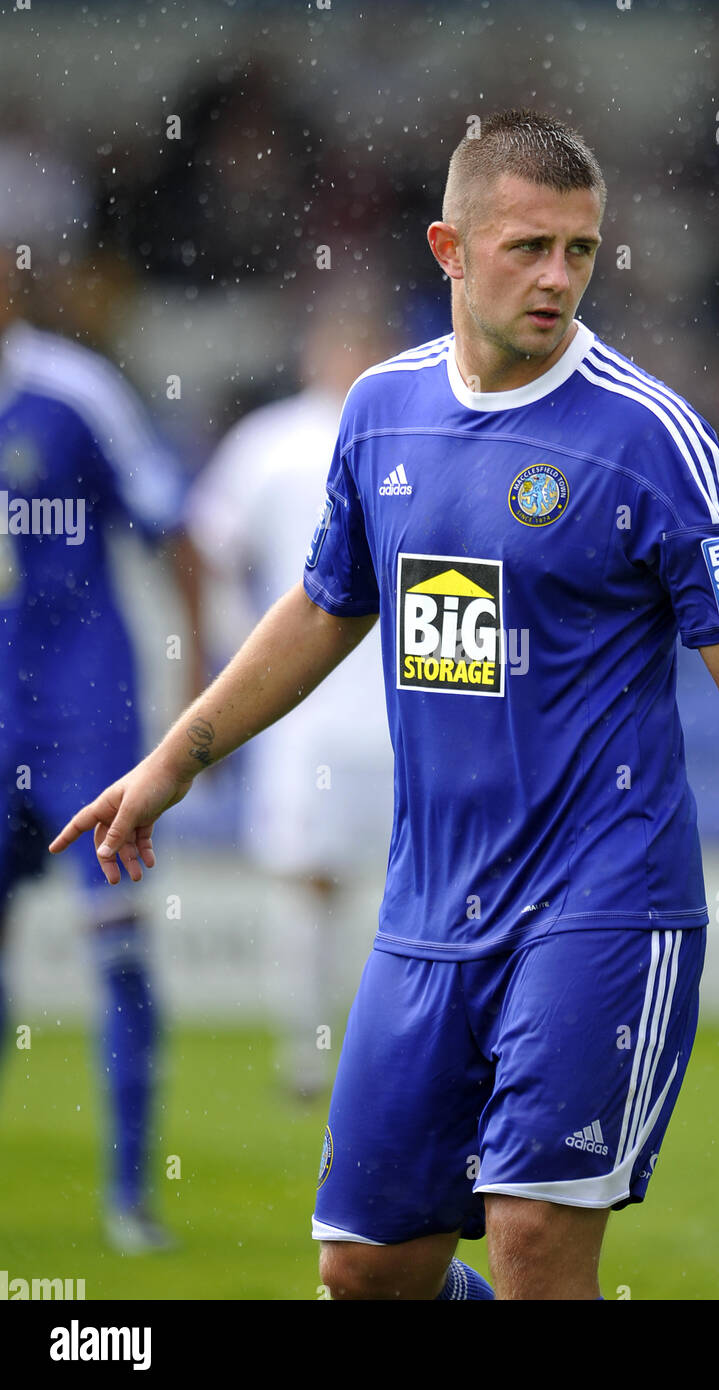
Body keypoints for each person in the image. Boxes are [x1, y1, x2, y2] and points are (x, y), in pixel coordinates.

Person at [50, 109, 719, 1300]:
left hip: (602, 904)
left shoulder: (647, 435)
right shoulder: (382, 411)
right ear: (448, 248)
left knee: (534, 1241)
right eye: (527, 247)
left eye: (580, 252)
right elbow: (327, 605)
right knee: (365, 1270)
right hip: (429, 906)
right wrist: (175, 761)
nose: (557, 278)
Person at [0, 237, 201, 1252]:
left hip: (87, 722)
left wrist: (202, 677)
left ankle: (130, 1195)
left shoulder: (78, 394)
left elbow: (176, 524)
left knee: (116, 953)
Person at [184, 293, 393, 1097]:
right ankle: (306, 1060)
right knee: (310, 881)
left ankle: (385, 1063)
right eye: (343, 345)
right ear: (316, 354)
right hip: (304, 711)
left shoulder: (420, 430)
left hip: (407, 706)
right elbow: (206, 542)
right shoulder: (270, 442)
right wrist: (239, 636)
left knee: (409, 894)